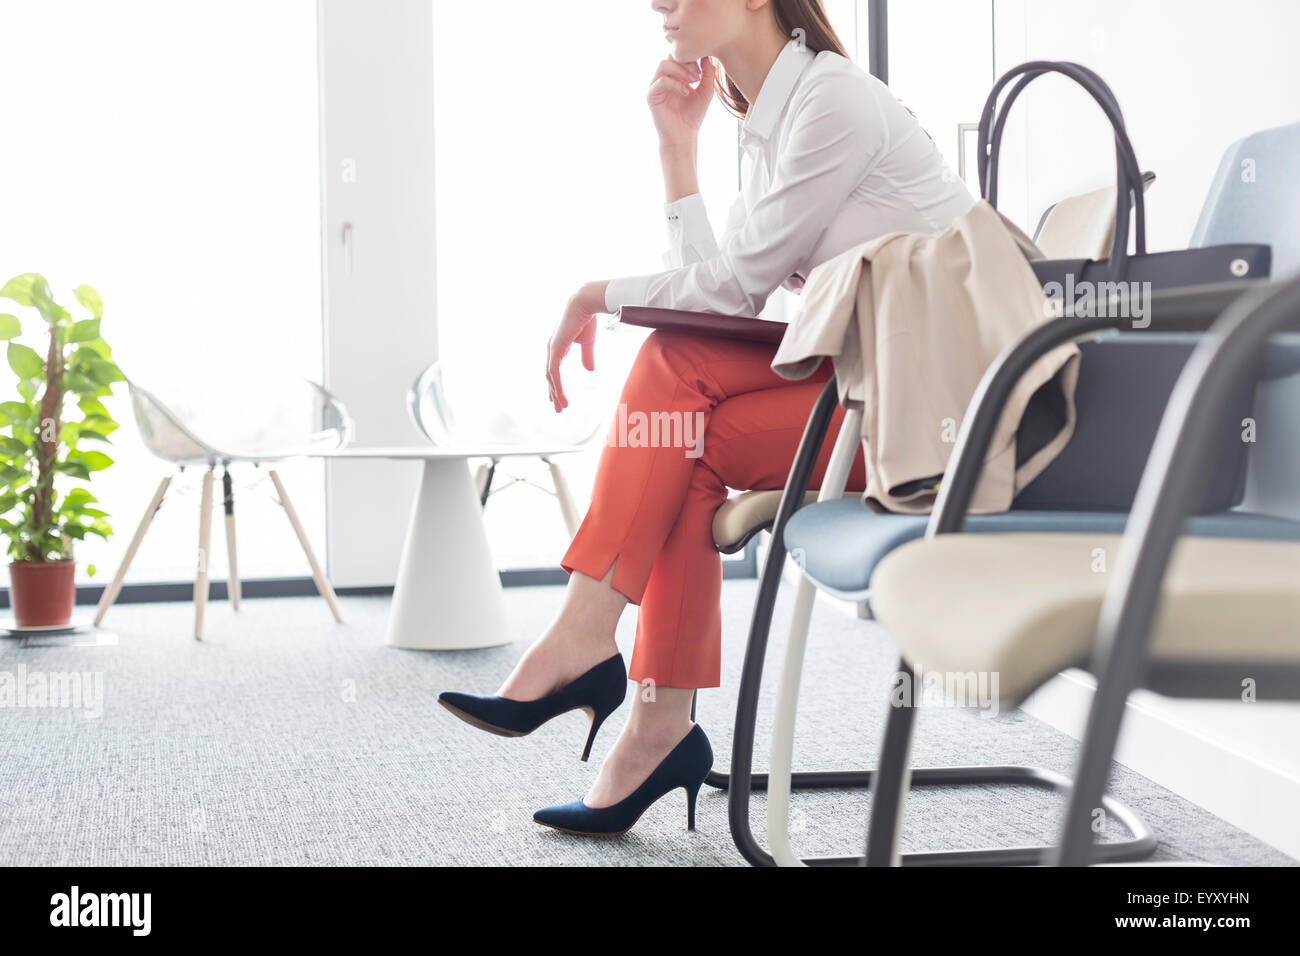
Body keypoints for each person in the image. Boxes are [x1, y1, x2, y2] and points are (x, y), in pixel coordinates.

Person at [439, 0, 974, 838]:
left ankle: (599, 658)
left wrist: (594, 293)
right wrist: (677, 150)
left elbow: (726, 293)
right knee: (676, 433)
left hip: (929, 415)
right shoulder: (772, 121)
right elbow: (717, 302)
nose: (655, 1)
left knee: (668, 377)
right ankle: (650, 722)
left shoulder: (832, 100)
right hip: (863, 386)